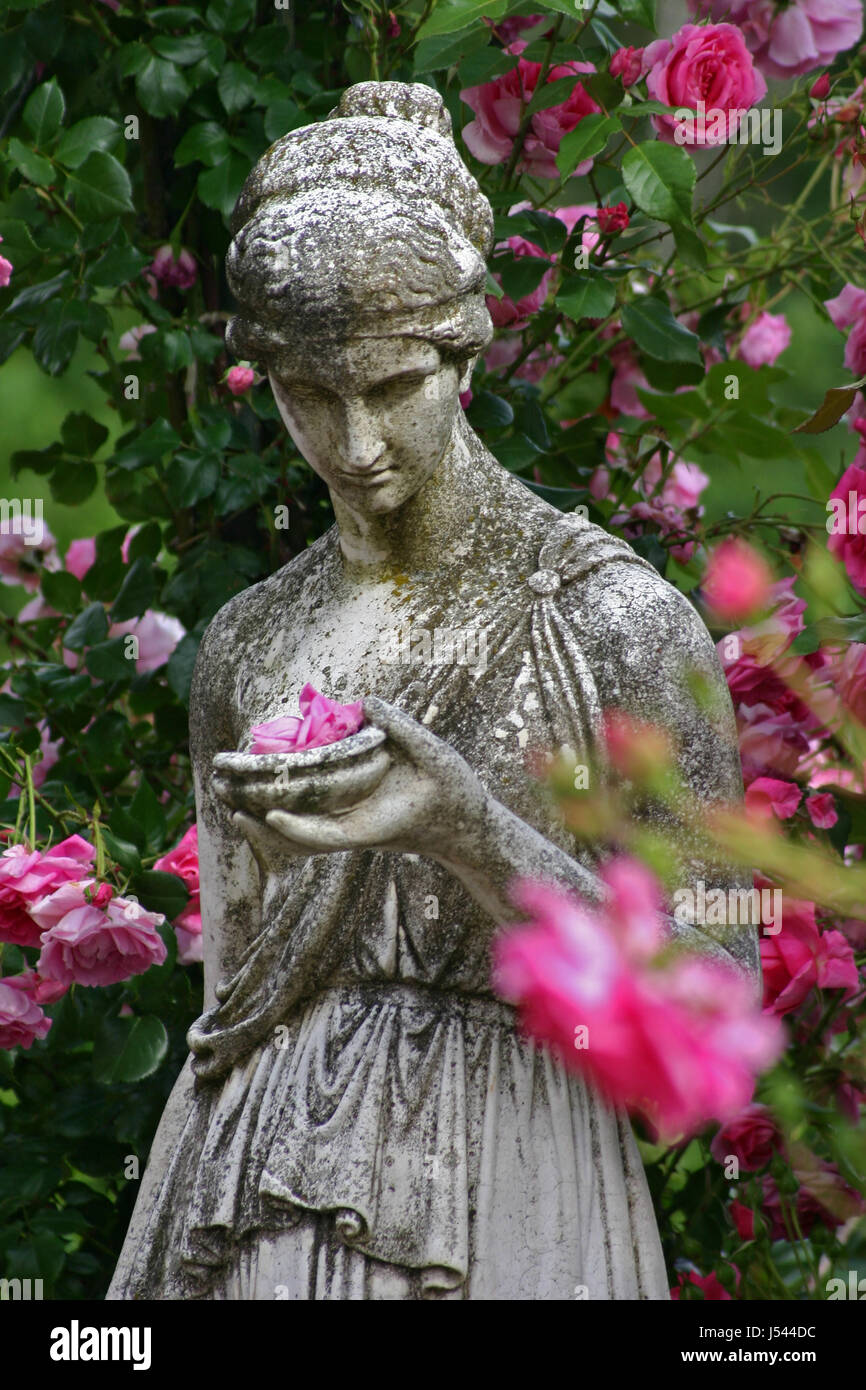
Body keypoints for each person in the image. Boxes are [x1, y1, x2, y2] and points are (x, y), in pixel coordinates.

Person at [107, 82, 759, 1302]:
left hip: (514, 1179)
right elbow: (231, 1003)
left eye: (390, 387)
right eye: (311, 394)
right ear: (267, 378)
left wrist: (466, 827)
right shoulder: (249, 643)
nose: (353, 444)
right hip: (251, 1193)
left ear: (463, 351)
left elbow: (708, 1010)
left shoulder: (610, 622)